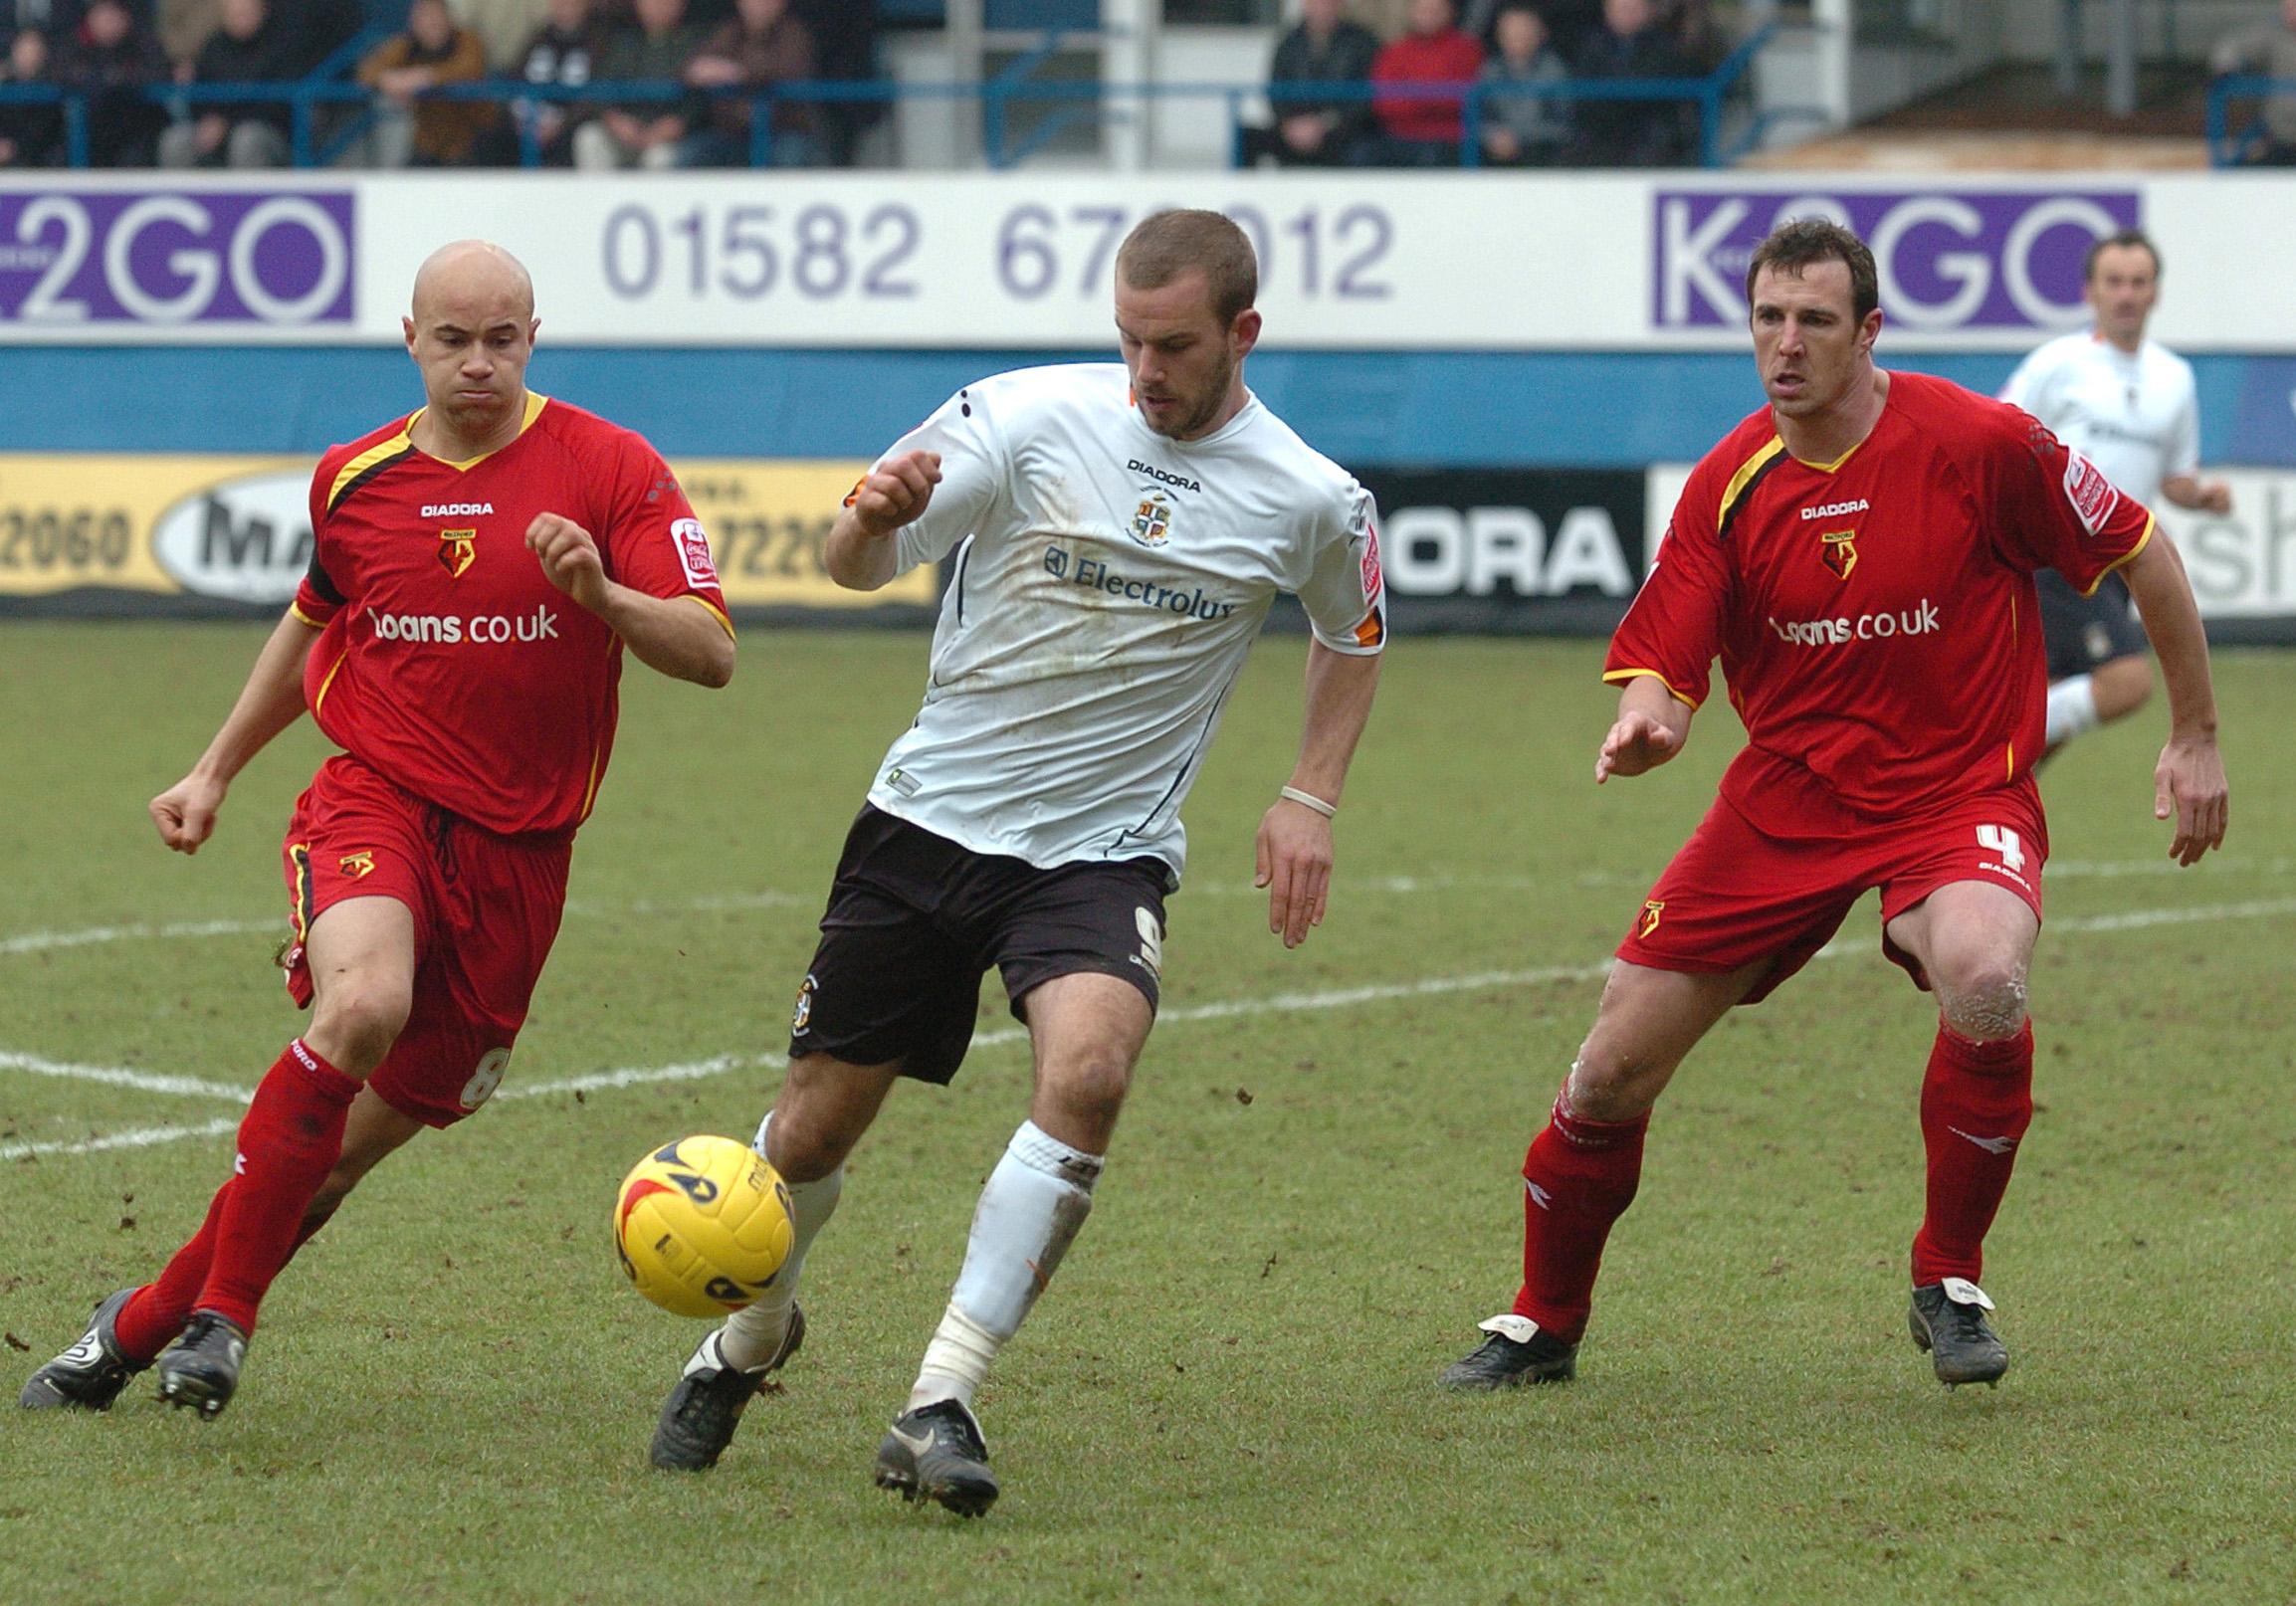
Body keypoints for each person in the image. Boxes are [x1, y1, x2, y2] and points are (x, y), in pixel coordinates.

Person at [645, 209, 1386, 1517]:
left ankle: (940, 1394)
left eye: (1173, 345)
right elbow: (858, 562)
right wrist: (867, 523)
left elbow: (1354, 628)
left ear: (1240, 334)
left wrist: (1307, 792)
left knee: (1089, 1067)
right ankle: (754, 1332)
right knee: (815, 1127)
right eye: (1128, 339)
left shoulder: (1312, 496)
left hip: (1100, 856)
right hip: (927, 825)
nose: (1145, 369)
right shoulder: (1021, 418)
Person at [1437, 219, 2226, 1396]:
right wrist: (1649, 717)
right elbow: (1664, 655)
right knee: (1607, 1072)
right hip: (1788, 804)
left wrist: (2196, 733)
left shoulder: (1982, 441)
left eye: (1813, 320)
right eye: (1767, 318)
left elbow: (2145, 553)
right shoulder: (1728, 482)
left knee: (1990, 979)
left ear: (1869, 331)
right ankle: (1543, 1322)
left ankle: (1947, 1277)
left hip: (1960, 790)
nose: (1786, 344)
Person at [19, 241, 737, 1422]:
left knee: (332, 1163)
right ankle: (227, 1322)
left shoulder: (613, 469)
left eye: (502, 340)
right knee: (360, 1007)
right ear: (410, 339)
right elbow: (310, 635)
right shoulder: (355, 478)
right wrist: (212, 772)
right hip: (376, 799)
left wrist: (603, 598)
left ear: (533, 338)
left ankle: (138, 1326)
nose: (478, 364)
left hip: (522, 859)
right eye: (453, 340)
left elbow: (711, 653)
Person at [1999, 231, 2232, 757]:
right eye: (2114, 282)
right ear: (2090, 292)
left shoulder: (2174, 377)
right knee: (2126, 683)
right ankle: (1983, 752)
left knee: (2054, 703)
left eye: (2138, 282)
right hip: (2059, 556)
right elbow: (1996, 437)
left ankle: (1988, 803)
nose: (2125, 293)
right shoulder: (2057, 363)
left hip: (2122, 565)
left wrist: (2201, 498)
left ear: (2155, 293)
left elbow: (2173, 479)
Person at [157, 0, 297, 168]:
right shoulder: (214, 48)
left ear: (262, 12)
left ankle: (247, 195)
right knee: (176, 141)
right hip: (216, 129)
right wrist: (206, 120)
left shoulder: (280, 47)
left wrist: (227, 122)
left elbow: (278, 104)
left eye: (246, 13)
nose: (240, 19)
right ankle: (176, 194)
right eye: (234, 14)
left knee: (246, 139)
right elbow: (198, 95)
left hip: (268, 132)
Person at [678, 0, 814, 168]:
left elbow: (787, 72)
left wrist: (736, 73)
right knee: (687, 157)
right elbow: (691, 66)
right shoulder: (730, 31)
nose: (759, 5)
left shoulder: (793, 34)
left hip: (780, 131)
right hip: (732, 133)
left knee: (790, 158)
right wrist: (696, 69)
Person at [572, 0, 706, 170]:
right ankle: (598, 197)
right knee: (589, 137)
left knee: (659, 158)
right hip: (625, 132)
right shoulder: (623, 43)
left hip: (671, 137)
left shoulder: (697, 43)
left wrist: (679, 123)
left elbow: (702, 99)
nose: (658, 6)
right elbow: (599, 89)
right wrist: (615, 120)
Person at [357, 0, 492, 167]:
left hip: (472, 140)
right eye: (425, 16)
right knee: (405, 185)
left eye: (437, 15)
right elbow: (368, 72)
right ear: (414, 20)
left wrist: (425, 77)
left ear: (448, 18)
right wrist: (388, 79)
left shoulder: (466, 41)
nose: (432, 22)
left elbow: (470, 68)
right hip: (428, 143)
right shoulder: (407, 46)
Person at [1248, 0, 1380, 168]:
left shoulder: (1362, 42)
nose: (1322, 8)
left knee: (1364, 146)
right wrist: (1289, 124)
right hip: (1294, 127)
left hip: (1342, 130)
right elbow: (1276, 91)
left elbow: (1367, 97)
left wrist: (1324, 123)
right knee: (1248, 138)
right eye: (1316, 3)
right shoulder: (1289, 43)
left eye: (1327, 3)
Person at [1563, 0, 1694, 167]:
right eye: (1621, 9)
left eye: (1633, 9)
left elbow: (1662, 100)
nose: (1627, 15)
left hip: (1646, 131)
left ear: (1648, 11)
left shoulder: (1664, 49)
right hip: (1600, 131)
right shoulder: (1591, 47)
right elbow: (1584, 96)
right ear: (1607, 12)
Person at [56, 0, 169, 166]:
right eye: (101, 15)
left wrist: (119, 81)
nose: (106, 21)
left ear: (125, 18)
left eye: (111, 15)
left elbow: (156, 75)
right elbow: (59, 74)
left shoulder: (142, 45)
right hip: (90, 136)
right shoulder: (76, 46)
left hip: (135, 133)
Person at [1368, 0, 1481, 165]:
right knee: (1365, 155)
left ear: (1449, 13)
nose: (1429, 16)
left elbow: (1467, 97)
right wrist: (1431, 99)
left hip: (1449, 137)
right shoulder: (1394, 52)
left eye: (1435, 10)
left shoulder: (1467, 50)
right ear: (1411, 12)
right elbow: (1384, 102)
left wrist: (1414, 98)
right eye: (1423, 10)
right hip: (1399, 135)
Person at [493, 0, 597, 165]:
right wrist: (518, 121)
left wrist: (561, 124)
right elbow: (514, 78)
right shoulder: (539, 36)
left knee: (579, 141)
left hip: (567, 127)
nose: (565, 5)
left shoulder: (598, 40)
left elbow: (595, 93)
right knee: (491, 140)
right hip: (524, 123)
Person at [1477, 3, 1568, 166]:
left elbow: (1563, 124)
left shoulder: (1554, 70)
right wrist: (1492, 136)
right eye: (1511, 31)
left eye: (1525, 29)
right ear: (1499, 35)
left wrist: (1520, 138)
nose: (1518, 35)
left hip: (1543, 156)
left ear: (1540, 33)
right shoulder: (1490, 70)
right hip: (1495, 156)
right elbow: (1479, 117)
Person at [2210, 0, 2296, 165]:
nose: (2291, 10)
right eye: (2289, 5)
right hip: (2279, 137)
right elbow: (2231, 47)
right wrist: (2225, 66)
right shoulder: (2272, 34)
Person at [0, 25, 62, 165]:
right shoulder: (5, 85)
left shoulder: (51, 89)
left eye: (34, 50)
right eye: (24, 49)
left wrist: (14, 148)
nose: (29, 55)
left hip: (34, 160)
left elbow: (44, 132)